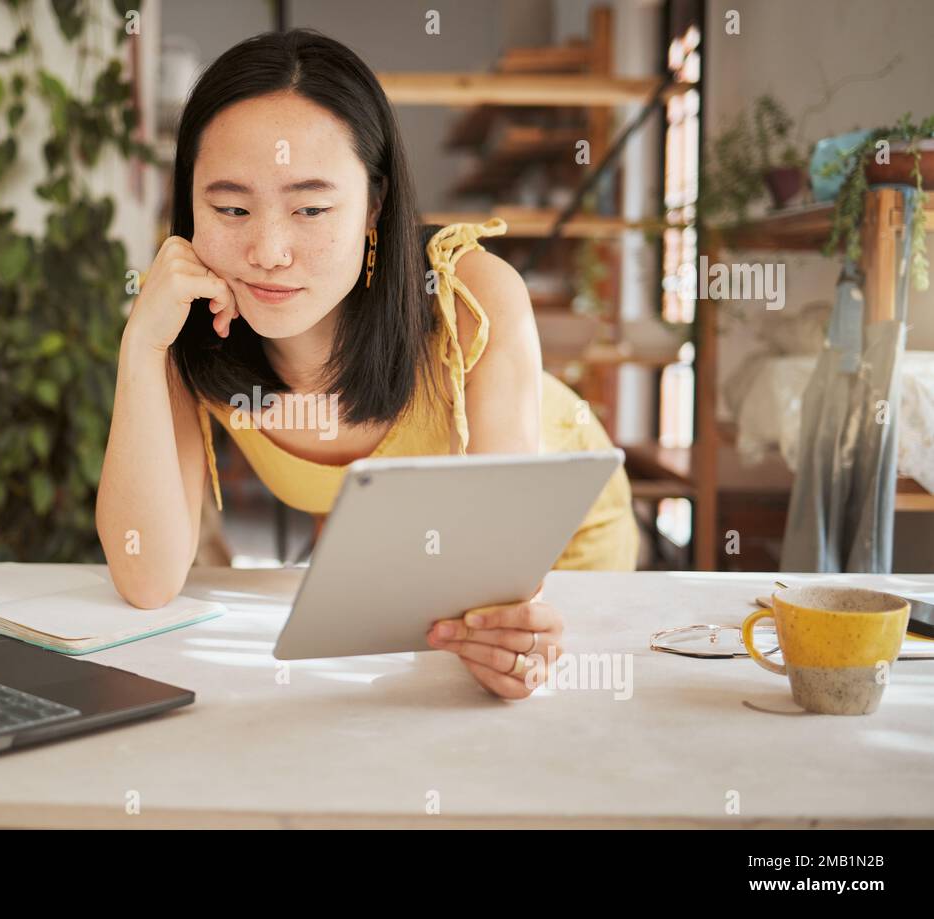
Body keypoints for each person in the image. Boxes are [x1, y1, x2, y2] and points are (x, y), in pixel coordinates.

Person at [97, 28, 637, 700]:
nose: (267, 250)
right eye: (230, 207)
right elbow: (147, 578)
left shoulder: (472, 298)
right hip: (419, 572)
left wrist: (504, 643)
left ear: (375, 205)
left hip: (563, 548)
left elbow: (494, 586)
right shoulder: (189, 320)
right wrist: (141, 347)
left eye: (311, 208)